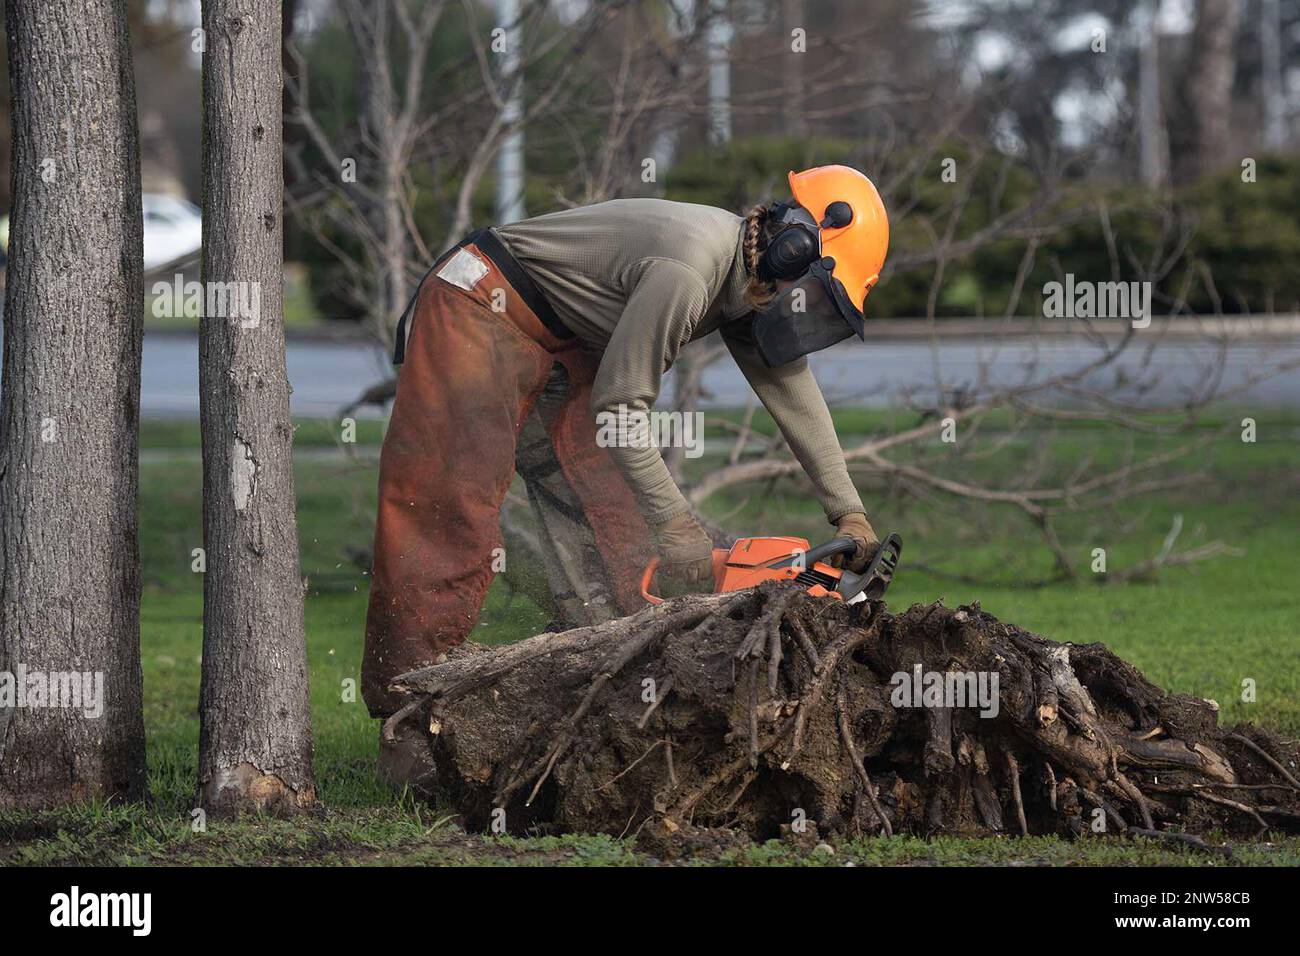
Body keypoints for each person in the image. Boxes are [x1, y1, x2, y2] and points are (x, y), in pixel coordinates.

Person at [363, 164, 889, 784]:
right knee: (449, 510)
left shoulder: (750, 281)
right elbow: (619, 408)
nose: (806, 310)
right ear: (795, 243)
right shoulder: (690, 270)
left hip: (563, 336)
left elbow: (790, 387)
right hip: (481, 302)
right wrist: (677, 526)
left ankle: (599, 703)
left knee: (616, 519)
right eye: (818, 293)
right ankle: (411, 723)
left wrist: (847, 510)